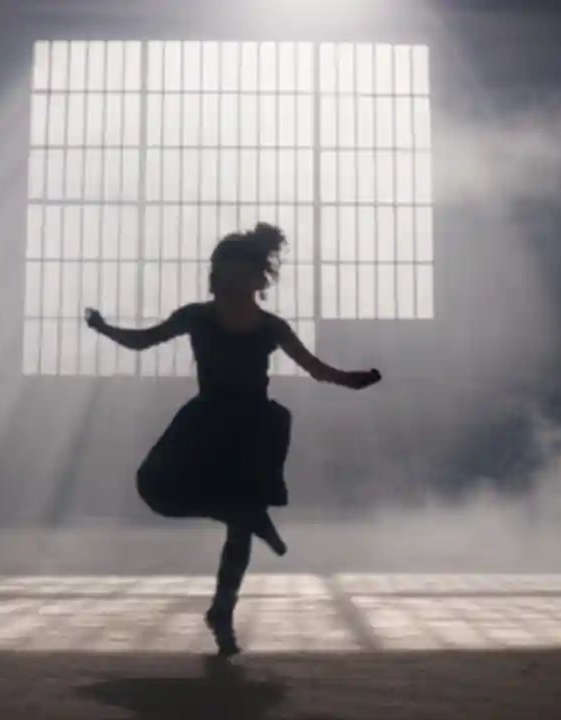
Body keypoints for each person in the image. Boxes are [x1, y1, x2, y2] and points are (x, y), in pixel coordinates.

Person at [85, 223, 381, 657]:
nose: (235, 284)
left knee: (239, 529)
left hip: (251, 427)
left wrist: (352, 380)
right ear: (217, 276)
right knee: (155, 487)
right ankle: (245, 518)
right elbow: (144, 340)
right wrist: (104, 328)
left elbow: (315, 367)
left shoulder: (271, 326)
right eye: (228, 275)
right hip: (207, 420)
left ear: (257, 279)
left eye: (244, 276)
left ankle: (222, 610)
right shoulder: (196, 316)